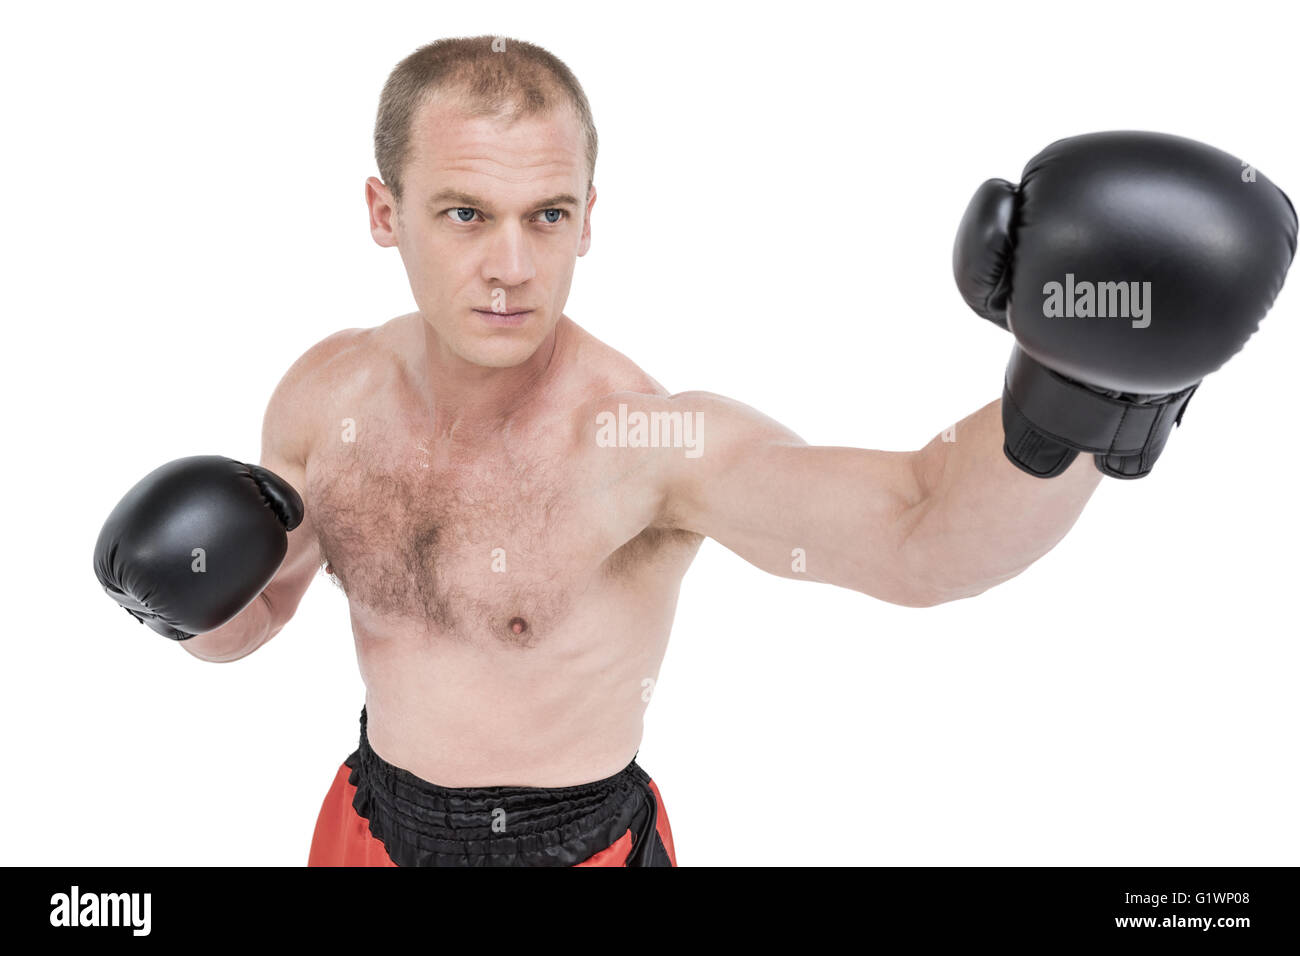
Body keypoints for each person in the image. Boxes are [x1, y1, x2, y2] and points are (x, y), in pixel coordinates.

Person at [93, 36, 1297, 866]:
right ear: (382, 210)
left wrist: (1074, 397)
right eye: (464, 213)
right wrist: (187, 612)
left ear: (587, 217)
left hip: (584, 845)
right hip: (364, 819)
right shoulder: (325, 392)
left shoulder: (645, 438)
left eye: (546, 215)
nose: (510, 266)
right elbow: (254, 625)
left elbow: (919, 530)